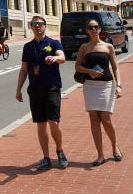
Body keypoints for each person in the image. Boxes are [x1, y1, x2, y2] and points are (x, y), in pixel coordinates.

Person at [16, 16, 69, 170]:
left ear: (45, 27)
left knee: (53, 122)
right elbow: (24, 69)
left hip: (52, 88)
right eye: (34, 24)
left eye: (40, 24)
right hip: (35, 90)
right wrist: (18, 89)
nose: (37, 26)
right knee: (40, 125)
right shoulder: (28, 47)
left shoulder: (53, 43)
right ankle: (46, 157)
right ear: (32, 27)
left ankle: (60, 151)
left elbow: (63, 57)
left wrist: (55, 57)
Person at [74, 19, 123, 166]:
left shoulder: (108, 47)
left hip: (107, 85)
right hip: (90, 86)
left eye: (95, 27)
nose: (93, 29)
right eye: (90, 27)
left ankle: (115, 147)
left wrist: (119, 85)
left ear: (99, 29)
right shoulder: (84, 47)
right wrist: (89, 71)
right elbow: (77, 66)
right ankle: (100, 155)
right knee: (94, 121)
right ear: (87, 31)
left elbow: (115, 67)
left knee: (106, 120)